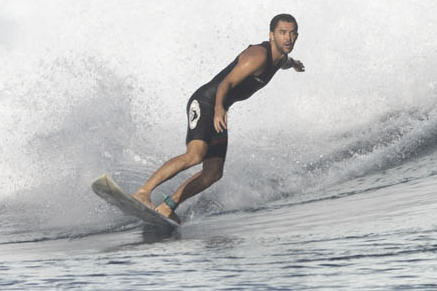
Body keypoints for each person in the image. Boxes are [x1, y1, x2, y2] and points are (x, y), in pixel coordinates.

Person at [132, 15, 307, 220]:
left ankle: (168, 206)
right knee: (195, 155)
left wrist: (295, 64)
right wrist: (218, 110)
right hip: (207, 102)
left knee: (213, 173)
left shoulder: (280, 59)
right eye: (282, 32)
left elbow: (286, 62)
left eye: (293, 33)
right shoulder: (257, 56)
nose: (288, 38)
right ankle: (143, 192)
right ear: (271, 35)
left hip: (220, 109)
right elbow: (226, 83)